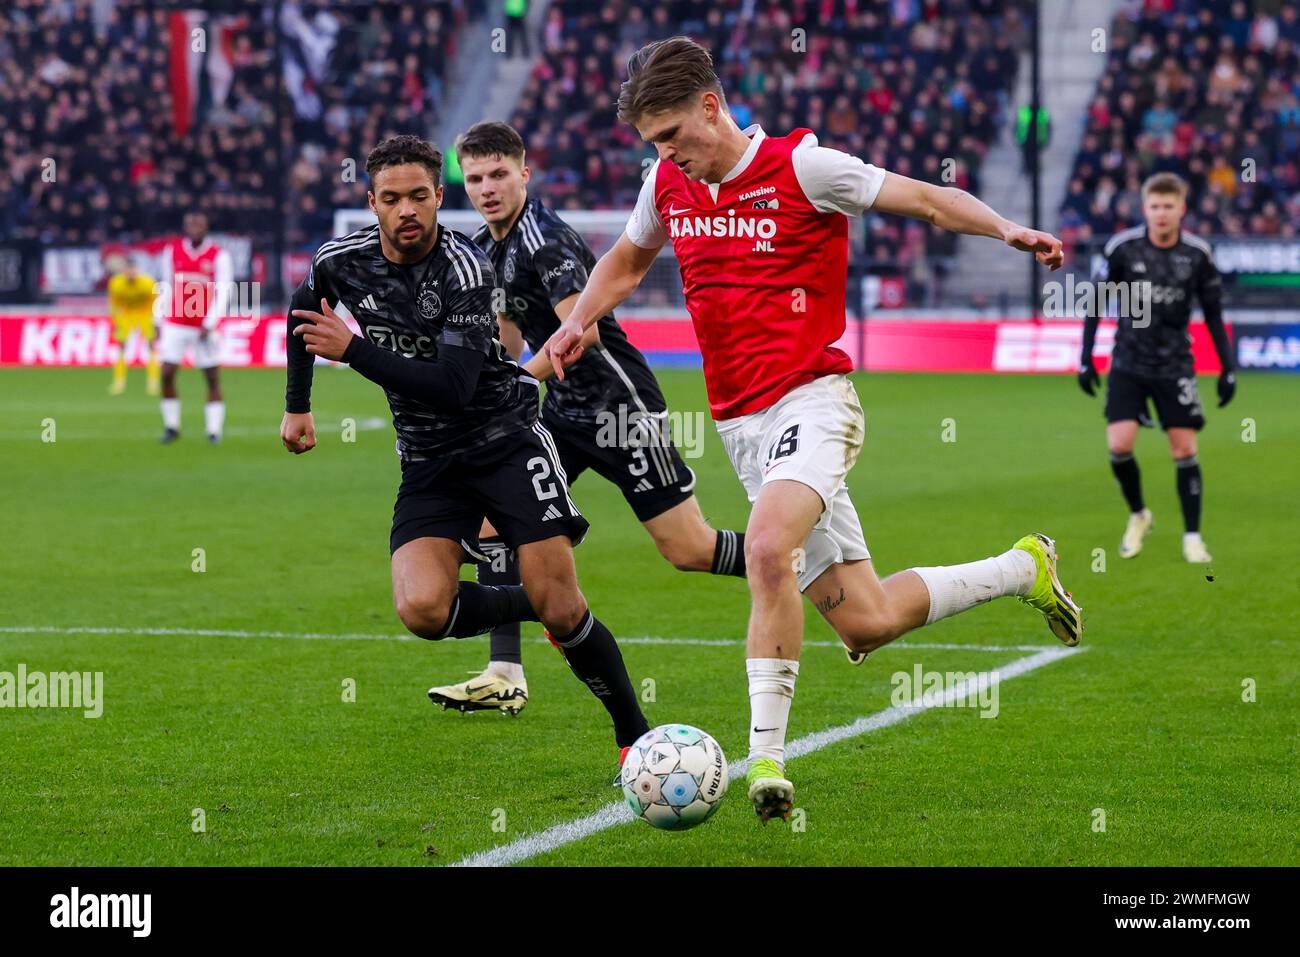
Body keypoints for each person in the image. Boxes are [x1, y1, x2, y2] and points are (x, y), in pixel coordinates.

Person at [543, 37, 1083, 822]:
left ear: (710, 107)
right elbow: (626, 261)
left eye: (673, 136)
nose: (667, 155)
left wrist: (1008, 230)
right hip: (743, 425)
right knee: (865, 620)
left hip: (815, 401)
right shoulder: (666, 184)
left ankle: (765, 760)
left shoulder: (805, 168)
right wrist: (579, 321)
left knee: (767, 548)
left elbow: (927, 199)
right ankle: (1021, 567)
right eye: (654, 144)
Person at [280, 134, 650, 764]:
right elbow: (301, 310)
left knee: (568, 610)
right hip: (428, 461)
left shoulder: (465, 269)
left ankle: (633, 736)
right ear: (371, 201)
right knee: (423, 609)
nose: (406, 211)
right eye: (391, 198)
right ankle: (531, 604)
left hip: (505, 443)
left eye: (419, 196)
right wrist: (297, 404)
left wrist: (356, 350)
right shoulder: (341, 259)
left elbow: (453, 387)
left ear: (437, 196)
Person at [425, 120, 747, 716]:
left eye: (499, 174)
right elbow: (507, 335)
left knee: (688, 549)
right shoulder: (483, 248)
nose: (488, 187)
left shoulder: (545, 239)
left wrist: (521, 378)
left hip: (620, 409)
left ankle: (791, 563)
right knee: (495, 523)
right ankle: (504, 673)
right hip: (564, 415)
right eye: (475, 178)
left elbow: (583, 329)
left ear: (524, 172)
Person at [1078, 172, 1236, 564]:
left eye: (1168, 206)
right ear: (1144, 208)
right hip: (1129, 360)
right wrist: (1085, 357)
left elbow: (1214, 315)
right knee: (1119, 445)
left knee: (1183, 449)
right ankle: (1139, 514)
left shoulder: (1197, 254)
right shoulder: (1124, 248)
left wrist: (1228, 368)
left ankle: (1193, 536)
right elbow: (1095, 302)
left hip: (1175, 364)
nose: (1161, 213)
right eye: (1154, 206)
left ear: (1182, 209)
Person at [157, 212, 231, 444]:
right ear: (185, 227)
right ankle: (171, 427)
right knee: (166, 373)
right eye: (190, 224)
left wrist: (210, 323)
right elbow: (166, 285)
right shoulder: (173, 251)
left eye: (199, 223)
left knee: (211, 377)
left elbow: (224, 291)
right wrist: (158, 318)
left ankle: (213, 431)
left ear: (206, 226)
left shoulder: (219, 255)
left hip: (203, 327)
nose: (195, 227)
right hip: (176, 323)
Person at [106, 255, 160, 396]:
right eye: (128, 270)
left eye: (133, 270)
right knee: (121, 347)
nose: (130, 273)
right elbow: (114, 304)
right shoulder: (116, 283)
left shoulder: (148, 283)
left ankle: (153, 382)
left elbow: (156, 303)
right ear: (124, 271)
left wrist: (155, 321)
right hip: (127, 315)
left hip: (145, 314)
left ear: (137, 270)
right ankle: (119, 381)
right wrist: (117, 322)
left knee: (151, 346)